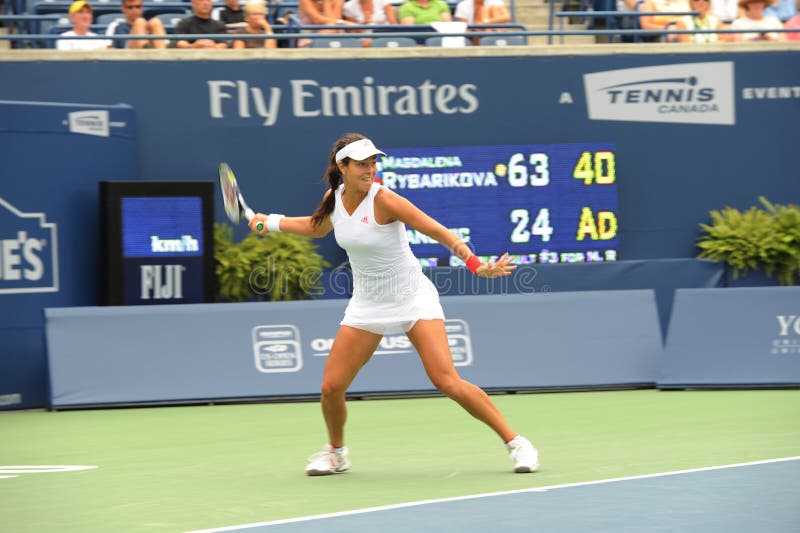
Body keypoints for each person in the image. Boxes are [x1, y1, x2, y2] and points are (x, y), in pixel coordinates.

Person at [247, 133, 540, 476]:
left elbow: (439, 231)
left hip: (411, 296)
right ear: (342, 167)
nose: (371, 169)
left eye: (374, 162)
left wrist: (476, 265)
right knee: (331, 387)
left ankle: (516, 443)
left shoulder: (385, 200)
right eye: (362, 163)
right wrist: (270, 222)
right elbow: (317, 228)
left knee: (446, 380)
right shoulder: (335, 198)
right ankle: (336, 452)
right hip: (368, 303)